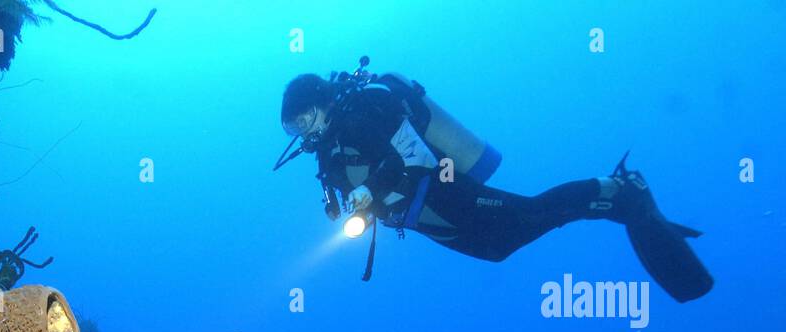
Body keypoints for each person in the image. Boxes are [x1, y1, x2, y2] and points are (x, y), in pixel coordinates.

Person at [276, 63, 713, 301]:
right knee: (497, 249)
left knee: (530, 214)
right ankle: (608, 198)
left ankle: (615, 190)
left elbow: (414, 157)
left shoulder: (364, 114)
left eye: (304, 121)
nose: (304, 134)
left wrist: (370, 190)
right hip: (422, 216)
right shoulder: (328, 150)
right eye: (294, 130)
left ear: (323, 102)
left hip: (445, 192)